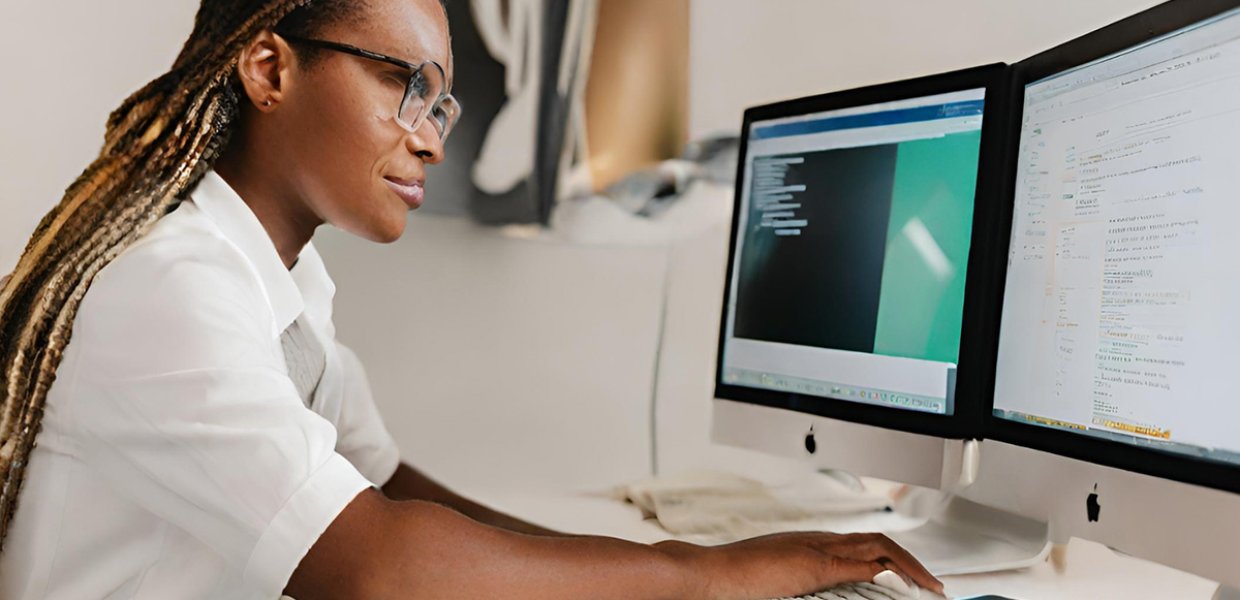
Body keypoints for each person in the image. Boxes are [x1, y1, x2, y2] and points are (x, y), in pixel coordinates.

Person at [0, 0, 944, 598]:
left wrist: (630, 568)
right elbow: (379, 563)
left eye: (441, 102)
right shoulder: (173, 280)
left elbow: (388, 487)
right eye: (407, 85)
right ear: (269, 68)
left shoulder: (283, 282)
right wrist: (702, 578)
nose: (433, 140)